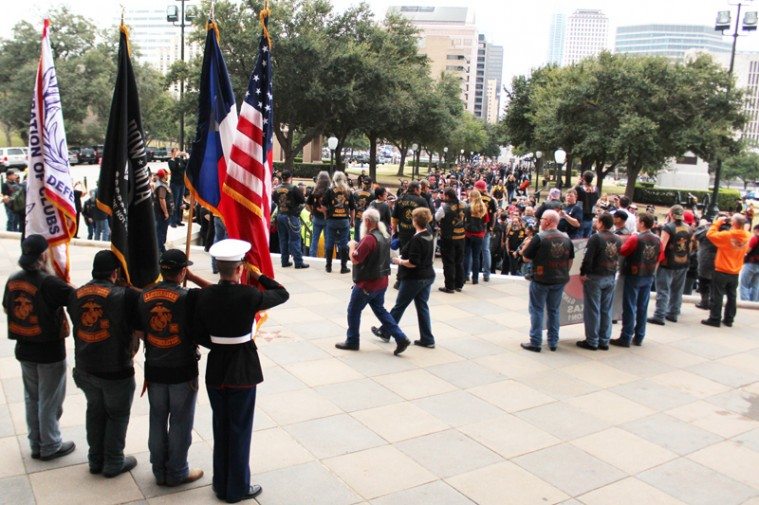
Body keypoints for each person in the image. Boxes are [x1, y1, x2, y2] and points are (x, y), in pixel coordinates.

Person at [194, 239, 289, 503]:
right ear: (239, 269)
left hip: (217, 368)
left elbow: (197, 331)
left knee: (220, 426)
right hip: (243, 370)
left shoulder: (206, 295)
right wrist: (259, 275)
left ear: (218, 268)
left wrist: (215, 342)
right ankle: (236, 488)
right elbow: (282, 293)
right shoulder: (249, 294)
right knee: (239, 430)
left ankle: (220, 482)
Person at [136, 249, 211, 487]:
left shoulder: (144, 294)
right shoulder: (189, 297)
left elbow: (139, 331)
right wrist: (194, 277)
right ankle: (177, 471)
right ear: (182, 272)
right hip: (182, 369)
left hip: (155, 367)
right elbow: (216, 292)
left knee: (157, 418)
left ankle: (159, 469)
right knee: (180, 421)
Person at [3, 235, 75, 461]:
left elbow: (7, 308)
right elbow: (76, 298)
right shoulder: (49, 282)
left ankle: (36, 443)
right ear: (44, 255)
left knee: (32, 398)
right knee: (49, 399)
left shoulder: (13, 280)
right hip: (49, 351)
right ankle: (51, 444)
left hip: (25, 348)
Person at [69, 250, 141, 477]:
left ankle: (95, 459)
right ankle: (113, 462)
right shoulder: (125, 296)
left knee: (95, 411)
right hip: (115, 368)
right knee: (117, 414)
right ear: (115, 272)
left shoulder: (76, 294)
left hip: (84, 366)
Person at [335, 208, 411, 355]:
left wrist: (351, 247)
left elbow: (356, 259)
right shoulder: (384, 235)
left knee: (353, 310)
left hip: (367, 283)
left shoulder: (369, 238)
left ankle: (352, 341)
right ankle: (400, 337)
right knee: (380, 310)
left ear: (368, 221)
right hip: (381, 281)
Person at [371, 207, 436, 349]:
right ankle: (427, 338)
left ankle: (385, 331)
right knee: (422, 306)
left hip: (415, 278)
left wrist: (399, 261)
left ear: (415, 221)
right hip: (427, 275)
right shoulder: (429, 234)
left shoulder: (417, 239)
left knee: (400, 306)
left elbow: (413, 262)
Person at [520, 209, 574, 352]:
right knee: (553, 310)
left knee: (537, 310)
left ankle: (536, 342)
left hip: (541, 279)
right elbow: (570, 260)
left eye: (542, 219)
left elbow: (525, 257)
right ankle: (553, 342)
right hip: (559, 279)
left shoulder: (540, 237)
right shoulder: (566, 238)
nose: (540, 221)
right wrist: (563, 272)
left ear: (548, 221)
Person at [611, 213, 661, 348]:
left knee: (630, 306)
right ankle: (639, 336)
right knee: (642, 307)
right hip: (648, 274)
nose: (636, 223)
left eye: (638, 221)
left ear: (643, 223)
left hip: (634, 275)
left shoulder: (636, 238)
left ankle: (626, 336)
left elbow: (622, 251)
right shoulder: (657, 239)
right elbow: (659, 257)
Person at [577, 213, 621, 350]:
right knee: (606, 310)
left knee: (593, 310)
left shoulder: (596, 238)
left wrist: (584, 272)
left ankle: (592, 340)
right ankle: (604, 340)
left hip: (595, 276)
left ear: (601, 223)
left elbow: (588, 258)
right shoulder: (617, 238)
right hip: (610, 276)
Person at [702, 214, 752, 327]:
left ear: (734, 223)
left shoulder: (727, 235)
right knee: (732, 296)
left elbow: (710, 234)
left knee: (717, 295)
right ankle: (729, 319)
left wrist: (718, 222)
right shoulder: (748, 236)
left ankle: (715, 318)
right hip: (735, 271)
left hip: (722, 269)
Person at [649, 205, 693, 325]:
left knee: (663, 289)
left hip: (668, 263)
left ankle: (659, 315)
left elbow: (661, 246)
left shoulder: (668, 227)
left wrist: (656, 263)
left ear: (671, 214)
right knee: (677, 290)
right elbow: (690, 247)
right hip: (683, 262)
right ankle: (673, 313)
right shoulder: (688, 228)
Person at [392, 181, 428, 287]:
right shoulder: (421, 200)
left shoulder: (400, 199)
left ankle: (400, 280)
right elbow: (427, 217)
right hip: (416, 233)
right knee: (416, 256)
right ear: (416, 189)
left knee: (403, 255)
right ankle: (413, 280)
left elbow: (394, 218)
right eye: (420, 189)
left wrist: (395, 231)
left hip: (403, 232)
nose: (421, 191)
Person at [272, 170, 309, 269]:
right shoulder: (293, 188)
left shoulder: (277, 188)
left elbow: (274, 199)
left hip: (280, 215)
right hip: (291, 216)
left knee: (283, 239)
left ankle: (284, 261)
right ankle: (298, 262)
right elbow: (302, 200)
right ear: (290, 177)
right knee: (295, 239)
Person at [323, 171, 355, 273]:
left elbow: (323, 205)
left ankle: (328, 266)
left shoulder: (329, 191)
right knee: (343, 243)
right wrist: (352, 220)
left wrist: (326, 214)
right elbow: (352, 208)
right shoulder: (348, 191)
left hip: (331, 220)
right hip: (344, 220)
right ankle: (343, 267)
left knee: (330, 242)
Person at [436, 188, 465, 293]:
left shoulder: (444, 208)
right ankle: (459, 284)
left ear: (447, 196)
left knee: (448, 262)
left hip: (448, 238)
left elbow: (436, 218)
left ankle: (449, 286)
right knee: (459, 261)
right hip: (461, 236)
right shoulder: (464, 205)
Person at [463, 189, 490, 285]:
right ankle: (475, 278)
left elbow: (464, 220)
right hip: (479, 234)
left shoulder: (468, 207)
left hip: (468, 233)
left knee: (466, 255)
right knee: (476, 257)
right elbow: (486, 221)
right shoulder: (484, 208)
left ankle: (465, 276)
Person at [474, 180, 498, 281]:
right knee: (485, 250)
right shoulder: (491, 199)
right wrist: (492, 227)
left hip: (475, 228)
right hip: (487, 228)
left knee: (472, 251)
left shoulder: (474, 198)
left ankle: (468, 273)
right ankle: (486, 274)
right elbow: (495, 215)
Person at [306, 171, 330, 257]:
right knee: (328, 240)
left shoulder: (314, 190)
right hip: (327, 218)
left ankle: (312, 257)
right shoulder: (330, 190)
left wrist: (312, 211)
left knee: (314, 239)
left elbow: (308, 203)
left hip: (316, 217)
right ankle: (327, 257)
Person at [153, 169, 174, 254]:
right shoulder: (161, 186)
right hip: (161, 214)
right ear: (164, 176)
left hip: (161, 213)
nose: (167, 176)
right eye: (166, 174)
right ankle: (159, 251)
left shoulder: (161, 184)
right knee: (161, 232)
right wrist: (166, 212)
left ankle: (161, 249)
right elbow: (162, 199)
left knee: (161, 232)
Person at [574, 171, 599, 238]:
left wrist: (577, 184)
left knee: (578, 239)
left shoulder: (580, 189)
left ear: (583, 178)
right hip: (590, 216)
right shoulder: (596, 189)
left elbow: (571, 192)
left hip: (581, 216)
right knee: (587, 238)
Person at [168, 148, 187, 227]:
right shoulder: (171, 161)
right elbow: (174, 168)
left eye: (178, 151)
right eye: (176, 151)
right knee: (174, 203)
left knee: (180, 203)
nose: (178, 153)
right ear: (172, 153)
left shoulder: (180, 160)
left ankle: (178, 220)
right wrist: (175, 157)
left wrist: (186, 155)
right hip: (175, 184)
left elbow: (187, 164)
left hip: (181, 183)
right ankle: (172, 221)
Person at [740, 224, 759, 301]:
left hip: (751, 263)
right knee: (755, 285)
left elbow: (747, 250)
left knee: (744, 284)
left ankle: (745, 302)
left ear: (756, 230)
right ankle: (754, 302)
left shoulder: (755, 238)